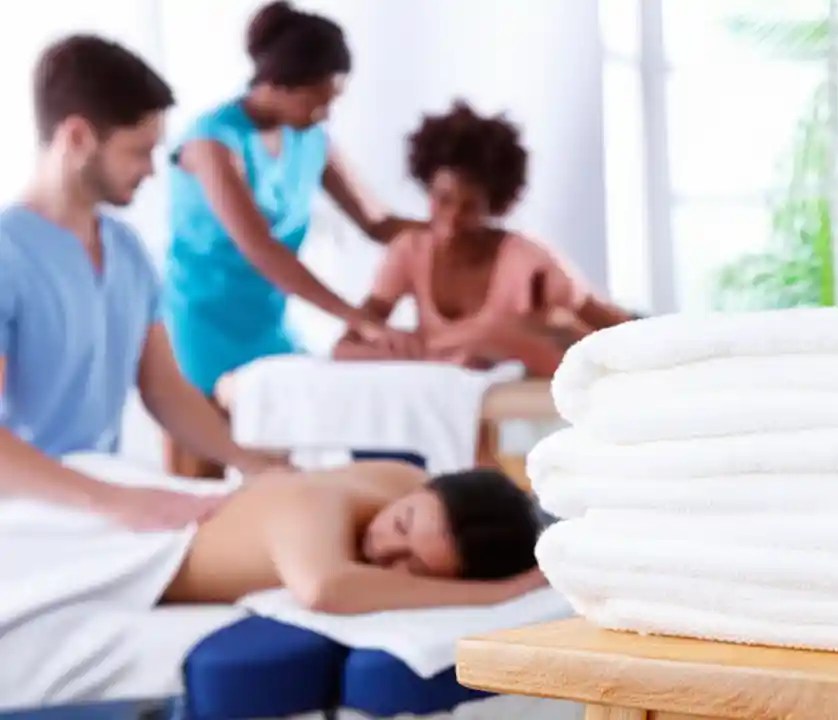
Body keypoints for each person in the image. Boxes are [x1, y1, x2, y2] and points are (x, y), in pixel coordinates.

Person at [0, 35, 288, 531]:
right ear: (77, 138)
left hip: (95, 495)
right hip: (27, 510)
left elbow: (164, 388)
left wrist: (250, 463)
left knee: (274, 521)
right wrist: (112, 502)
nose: (152, 170)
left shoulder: (127, 250)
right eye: (139, 151)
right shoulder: (9, 255)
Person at [164, 1, 424, 476]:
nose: (324, 112)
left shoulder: (312, 138)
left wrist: (456, 230)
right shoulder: (212, 142)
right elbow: (260, 249)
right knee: (202, 470)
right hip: (200, 321)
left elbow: (377, 223)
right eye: (317, 99)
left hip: (268, 320)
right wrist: (359, 319)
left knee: (275, 463)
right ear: (278, 84)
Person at [332, 101, 634, 377]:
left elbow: (623, 335)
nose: (451, 219)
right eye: (443, 199)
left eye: (469, 207)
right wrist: (397, 346)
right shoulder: (409, 251)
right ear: (428, 189)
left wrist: (526, 337)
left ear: (494, 205)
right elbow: (345, 348)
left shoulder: (530, 263)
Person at [163, 461, 546, 612]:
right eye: (400, 523)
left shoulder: (417, 493)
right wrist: (505, 592)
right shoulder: (315, 502)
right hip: (139, 543)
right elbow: (324, 590)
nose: (382, 550)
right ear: (420, 492)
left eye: (410, 564)